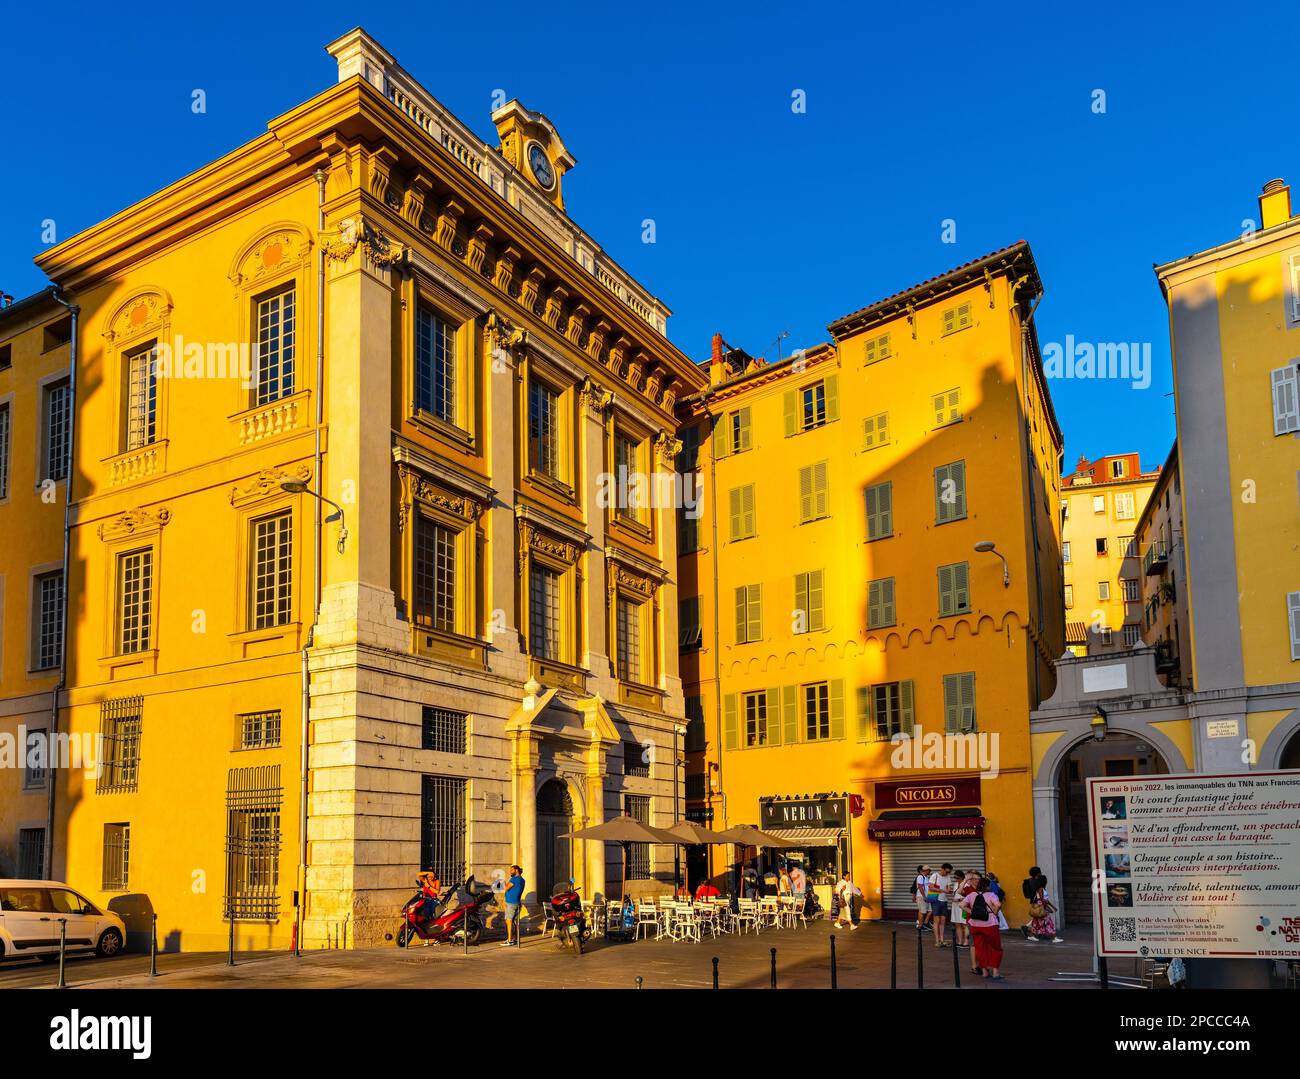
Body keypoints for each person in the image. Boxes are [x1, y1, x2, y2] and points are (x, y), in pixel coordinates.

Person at [961, 875, 1004, 980]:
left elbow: (962, 905)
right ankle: (995, 972)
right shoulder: (991, 895)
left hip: (975, 925)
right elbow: (998, 905)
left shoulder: (972, 895)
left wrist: (972, 912)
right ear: (988, 886)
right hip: (990, 924)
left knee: (980, 948)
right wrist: (993, 912)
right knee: (995, 948)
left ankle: (985, 971)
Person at [1027, 874, 1062, 943]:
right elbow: (1043, 900)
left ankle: (1031, 935)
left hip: (1040, 908)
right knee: (1049, 923)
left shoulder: (1041, 889)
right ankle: (1054, 937)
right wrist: (1049, 908)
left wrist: (1052, 907)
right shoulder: (1040, 889)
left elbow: (1045, 900)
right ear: (1043, 881)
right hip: (1042, 909)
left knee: (1036, 923)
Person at [929, 863, 954, 947]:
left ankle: (942, 940)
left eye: (949, 872)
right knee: (937, 921)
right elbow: (931, 887)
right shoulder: (935, 875)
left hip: (944, 900)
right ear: (942, 869)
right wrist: (943, 890)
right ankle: (937, 940)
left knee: (943, 921)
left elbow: (949, 888)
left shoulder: (948, 877)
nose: (947, 874)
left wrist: (949, 890)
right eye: (946, 872)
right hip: (936, 900)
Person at [500, 864, 525, 947]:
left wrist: (503, 882)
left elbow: (506, 888)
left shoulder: (514, 879)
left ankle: (509, 940)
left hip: (511, 903)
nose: (510, 872)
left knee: (509, 920)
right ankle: (514, 939)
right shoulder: (522, 880)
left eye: (511, 870)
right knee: (514, 921)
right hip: (517, 902)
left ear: (516, 870)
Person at [913, 864, 931, 932]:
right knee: (922, 912)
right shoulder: (920, 877)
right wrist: (924, 896)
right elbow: (920, 887)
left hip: (926, 896)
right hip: (921, 896)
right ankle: (920, 926)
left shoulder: (926, 877)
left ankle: (925, 923)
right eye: (929, 870)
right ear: (926, 870)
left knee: (929, 910)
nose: (930, 872)